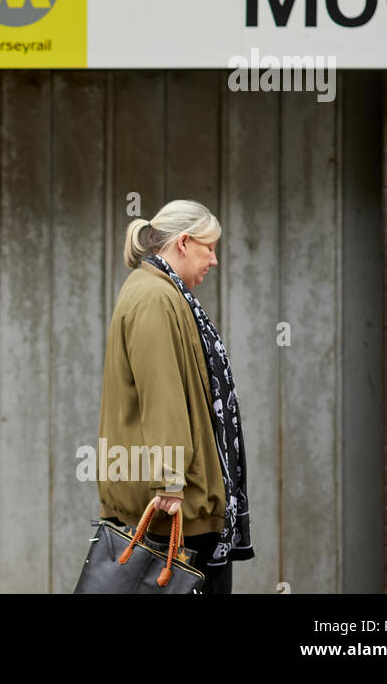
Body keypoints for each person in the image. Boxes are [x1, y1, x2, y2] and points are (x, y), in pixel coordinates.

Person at [96, 199, 254, 594]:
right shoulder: (155, 297)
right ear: (183, 242)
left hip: (182, 502)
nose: (214, 261)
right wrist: (168, 481)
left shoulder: (163, 292)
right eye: (209, 248)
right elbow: (161, 394)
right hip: (173, 510)